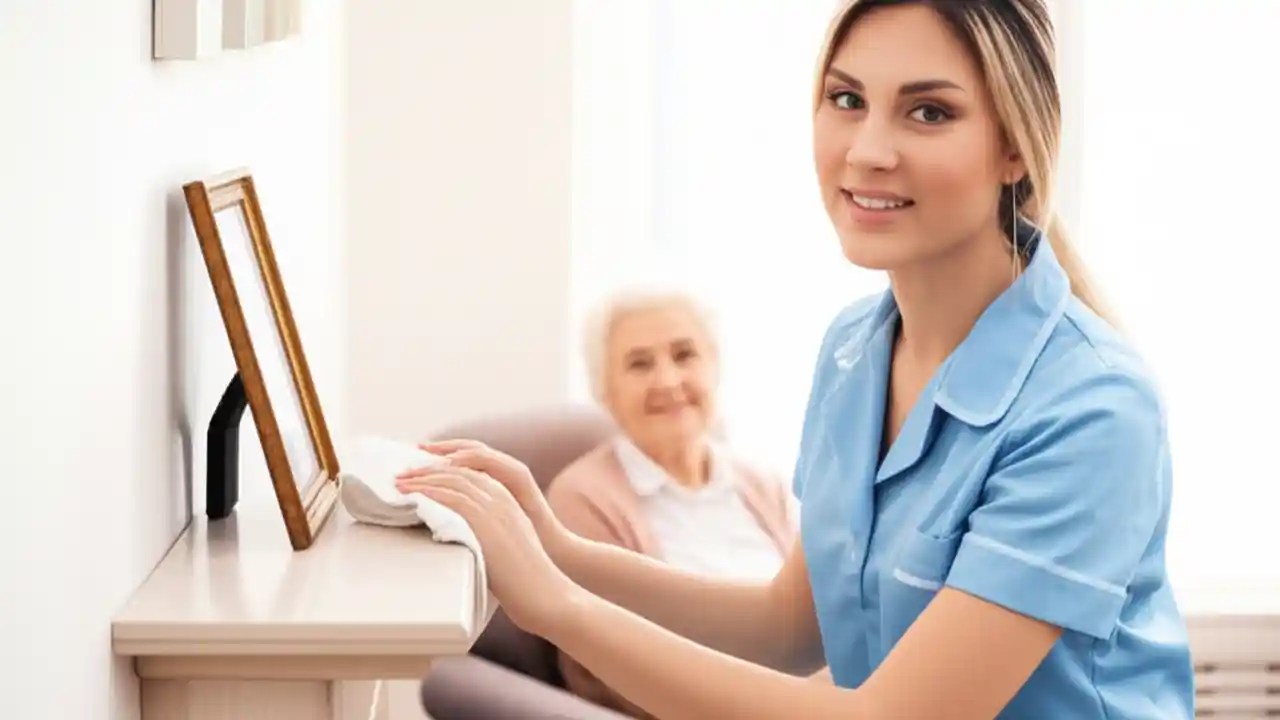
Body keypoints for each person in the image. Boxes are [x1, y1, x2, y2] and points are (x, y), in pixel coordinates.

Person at [397, 1, 1195, 717]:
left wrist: (558, 607)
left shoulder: (1093, 409)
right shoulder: (856, 351)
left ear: (1017, 147)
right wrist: (562, 552)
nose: (867, 151)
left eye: (927, 111)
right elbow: (790, 627)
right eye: (847, 100)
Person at [547, 289, 795, 717]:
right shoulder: (583, 499)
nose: (668, 381)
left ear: (714, 369)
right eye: (639, 364)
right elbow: (612, 663)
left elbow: (815, 615)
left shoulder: (761, 482)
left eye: (684, 355)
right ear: (604, 391)